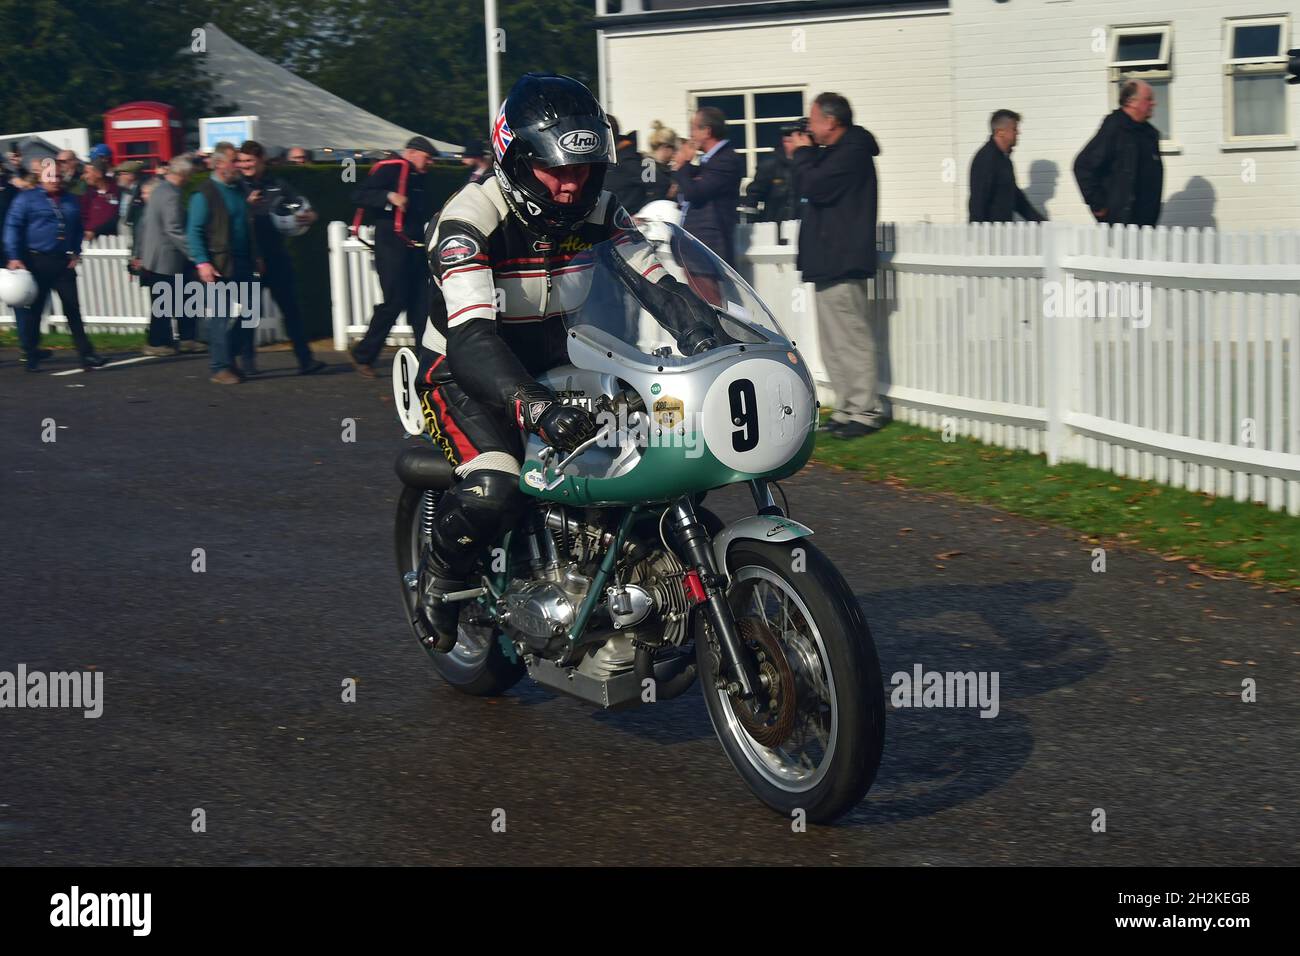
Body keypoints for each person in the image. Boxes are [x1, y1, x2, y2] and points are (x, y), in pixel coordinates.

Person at [413, 72, 722, 651]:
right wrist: (534, 407)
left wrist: (712, 339)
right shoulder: (469, 222)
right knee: (497, 488)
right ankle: (440, 574)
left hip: (557, 356)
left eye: (581, 171)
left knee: (658, 447)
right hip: (463, 369)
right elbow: (474, 339)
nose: (569, 187)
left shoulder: (600, 211)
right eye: (555, 170)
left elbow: (658, 286)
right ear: (517, 158)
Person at [791, 91, 885, 439]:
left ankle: (865, 410)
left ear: (831, 121)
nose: (809, 127)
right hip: (828, 259)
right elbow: (810, 183)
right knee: (833, 342)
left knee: (851, 337)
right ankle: (846, 407)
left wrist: (802, 153)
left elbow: (815, 186)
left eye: (813, 119)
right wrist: (807, 153)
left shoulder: (854, 150)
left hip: (843, 259)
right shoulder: (835, 153)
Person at [4, 161, 106, 372]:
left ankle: (87, 355)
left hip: (62, 261)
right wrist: (14, 256)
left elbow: (78, 227)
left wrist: (76, 250)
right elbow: (13, 226)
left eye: (58, 176)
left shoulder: (70, 200)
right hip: (37, 261)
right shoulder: (27, 199)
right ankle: (31, 354)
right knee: (35, 311)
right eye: (50, 176)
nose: (55, 181)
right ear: (42, 177)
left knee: (73, 309)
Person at [348, 136, 437, 377]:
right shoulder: (391, 168)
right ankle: (363, 354)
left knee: (421, 306)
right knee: (394, 302)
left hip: (413, 246)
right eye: (427, 157)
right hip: (391, 247)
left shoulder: (419, 177)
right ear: (412, 152)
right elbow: (359, 195)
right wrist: (389, 197)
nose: (430, 163)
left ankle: (426, 361)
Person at [236, 140, 326, 374]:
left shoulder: (277, 183)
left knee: (291, 310)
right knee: (249, 313)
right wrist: (246, 206)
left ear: (261, 160)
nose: (245, 165)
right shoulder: (237, 186)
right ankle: (247, 364)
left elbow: (305, 206)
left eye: (249, 161)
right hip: (250, 257)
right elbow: (230, 216)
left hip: (277, 256)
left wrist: (311, 216)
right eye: (242, 161)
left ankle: (305, 361)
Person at [187, 142, 260, 385]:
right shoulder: (204, 194)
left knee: (252, 311)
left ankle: (227, 354)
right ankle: (220, 367)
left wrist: (256, 256)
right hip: (218, 262)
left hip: (242, 260)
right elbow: (194, 231)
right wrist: (202, 263)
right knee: (220, 316)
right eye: (234, 161)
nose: (239, 165)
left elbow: (247, 226)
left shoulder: (238, 189)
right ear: (219, 164)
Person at [135, 155, 203, 355]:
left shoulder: (160, 190)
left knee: (177, 299)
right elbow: (173, 229)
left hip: (160, 255)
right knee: (165, 302)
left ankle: (183, 339)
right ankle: (157, 343)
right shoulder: (171, 194)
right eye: (190, 175)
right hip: (168, 256)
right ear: (183, 174)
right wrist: (194, 253)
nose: (190, 179)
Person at [1073, 79, 1163, 227]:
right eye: (1148, 99)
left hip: (1146, 223)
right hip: (1120, 223)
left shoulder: (1150, 134)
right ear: (1131, 101)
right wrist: (1098, 205)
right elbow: (1083, 165)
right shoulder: (1115, 128)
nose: (1154, 103)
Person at [670, 106, 742, 265]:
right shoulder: (710, 161)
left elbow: (695, 193)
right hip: (695, 245)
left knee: (706, 291)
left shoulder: (725, 159)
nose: (691, 135)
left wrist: (683, 165)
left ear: (707, 131)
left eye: (693, 129)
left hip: (709, 244)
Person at [968, 109, 1045, 223]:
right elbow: (978, 200)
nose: (1018, 132)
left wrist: (1042, 223)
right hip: (989, 235)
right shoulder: (986, 159)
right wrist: (978, 236)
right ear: (1000, 132)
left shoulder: (1004, 160)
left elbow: (1017, 198)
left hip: (1002, 234)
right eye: (1014, 129)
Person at [745, 124, 800, 223]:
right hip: (774, 224)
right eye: (787, 140)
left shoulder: (808, 163)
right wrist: (751, 223)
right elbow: (753, 194)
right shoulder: (770, 165)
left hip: (803, 224)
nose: (789, 144)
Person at [603, 116, 647, 214]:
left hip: (625, 224)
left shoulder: (628, 160)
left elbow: (659, 184)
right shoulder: (603, 161)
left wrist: (641, 216)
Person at [80, 159, 121, 240]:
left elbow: (119, 217)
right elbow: (81, 216)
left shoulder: (118, 192)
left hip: (114, 241)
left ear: (98, 174)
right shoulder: (86, 194)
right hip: (90, 243)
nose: (85, 176)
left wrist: (96, 231)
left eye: (87, 172)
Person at [644, 121, 678, 203]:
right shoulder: (648, 166)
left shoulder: (664, 167)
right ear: (665, 147)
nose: (675, 153)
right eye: (674, 149)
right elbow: (650, 194)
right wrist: (669, 195)